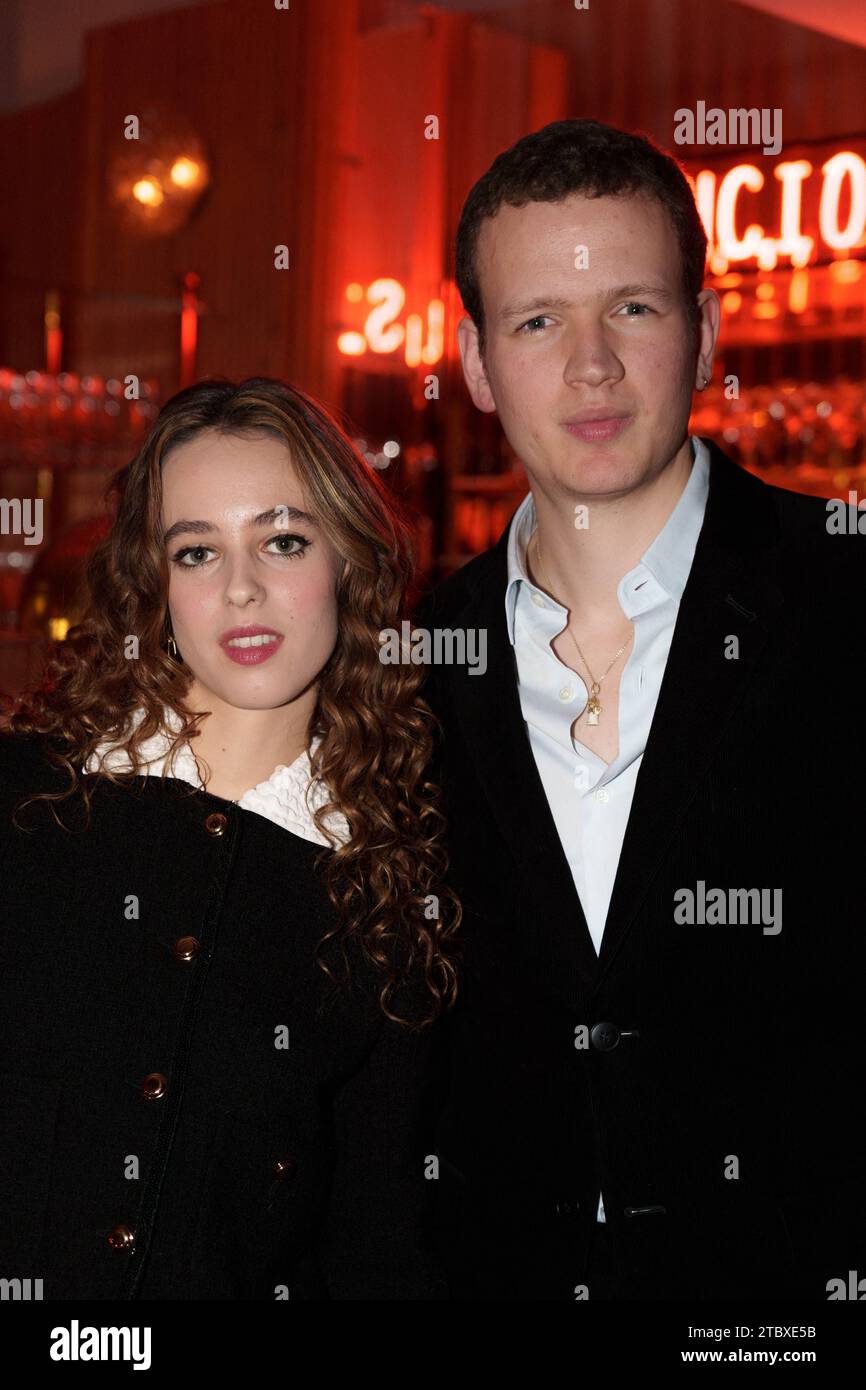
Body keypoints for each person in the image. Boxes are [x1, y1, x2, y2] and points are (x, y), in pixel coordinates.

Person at [416, 118, 866, 1300]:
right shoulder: (399, 661)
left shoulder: (845, 594)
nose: (589, 368)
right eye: (536, 322)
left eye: (631, 307)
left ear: (705, 332)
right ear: (471, 359)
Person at [0, 376, 459, 1300]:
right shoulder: (29, 802)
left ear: (350, 563)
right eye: (198, 551)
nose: (242, 588)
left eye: (282, 541)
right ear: (154, 583)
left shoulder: (389, 892)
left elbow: (375, 1250)